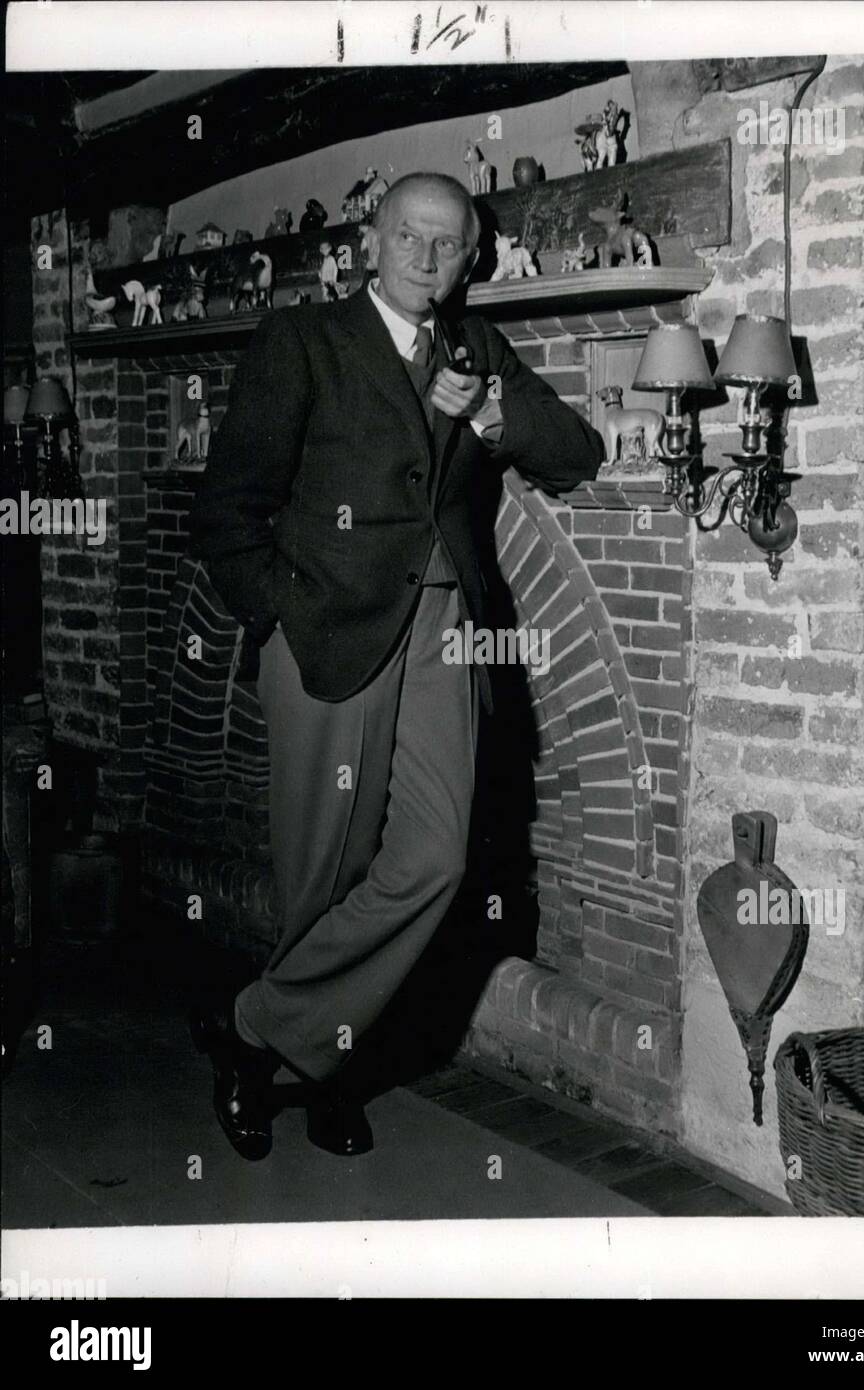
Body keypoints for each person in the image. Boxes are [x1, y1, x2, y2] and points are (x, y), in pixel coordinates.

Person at [188, 171, 604, 1161]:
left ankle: (261, 1032)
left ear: (471, 259)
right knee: (322, 871)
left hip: (445, 634)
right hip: (324, 634)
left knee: (437, 858)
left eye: (447, 243)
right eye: (408, 236)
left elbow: (576, 450)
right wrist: (277, 616)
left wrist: (495, 412)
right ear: (373, 242)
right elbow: (229, 508)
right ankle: (329, 1063)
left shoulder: (476, 350)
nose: (425, 256)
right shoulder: (304, 341)